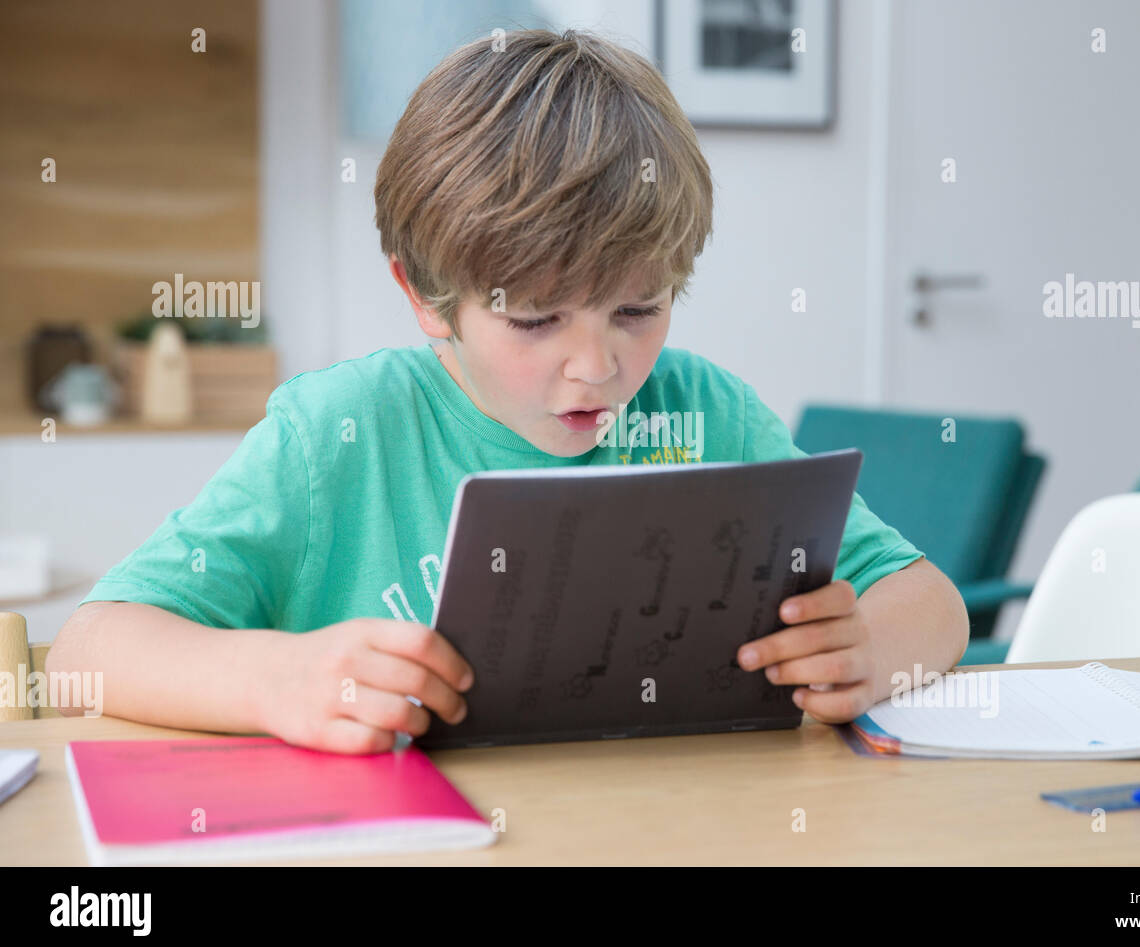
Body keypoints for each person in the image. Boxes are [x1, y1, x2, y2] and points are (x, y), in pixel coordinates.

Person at [48, 29, 968, 753]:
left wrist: (873, 650)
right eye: (535, 321)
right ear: (425, 297)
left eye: (639, 309)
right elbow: (91, 652)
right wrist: (273, 679)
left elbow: (933, 603)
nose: (596, 367)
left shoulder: (706, 413)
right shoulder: (339, 432)